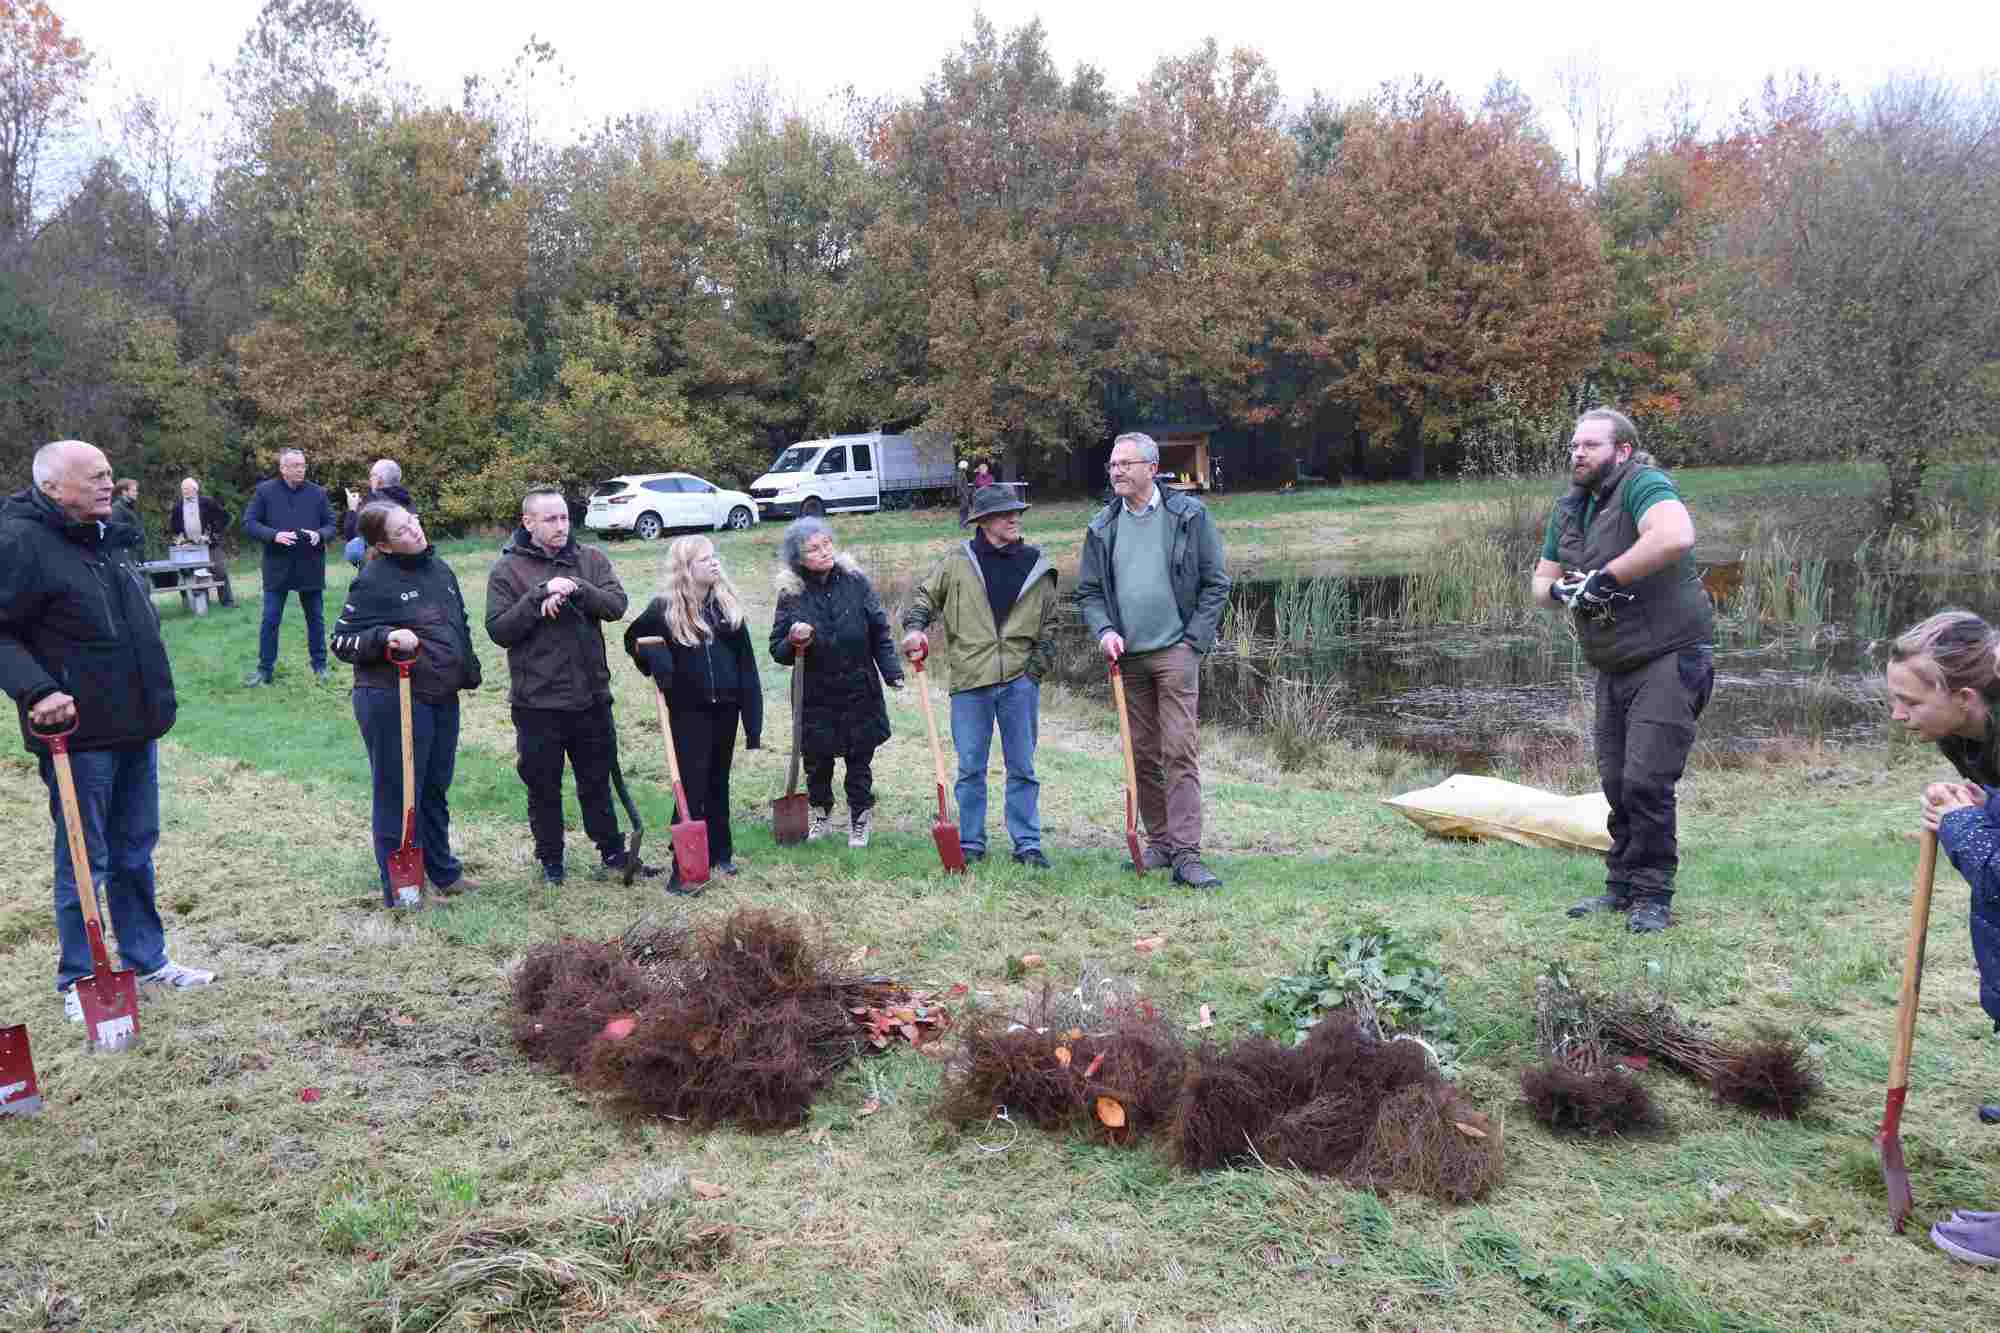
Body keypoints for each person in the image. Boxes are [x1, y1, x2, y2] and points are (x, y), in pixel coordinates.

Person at [0, 440, 217, 1022]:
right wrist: (37, 689)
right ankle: (82, 975)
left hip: (134, 720)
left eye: (109, 474)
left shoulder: (111, 534)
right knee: (83, 857)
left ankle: (147, 959)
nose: (106, 483)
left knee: (134, 852)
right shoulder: (20, 542)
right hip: (75, 734)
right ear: (51, 487)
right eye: (93, 476)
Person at [1531, 408, 1714, 934]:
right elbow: (1539, 585)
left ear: (1623, 450)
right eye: (1573, 445)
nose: (1578, 453)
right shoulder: (1571, 510)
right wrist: (1562, 591)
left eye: (1590, 445)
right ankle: (1621, 887)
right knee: (1615, 781)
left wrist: (1606, 578)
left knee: (1646, 780)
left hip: (1670, 654)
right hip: (1614, 663)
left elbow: (1675, 536)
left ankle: (1654, 895)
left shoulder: (1645, 484)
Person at [1885, 610, 2000, 1265]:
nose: (1899, 714)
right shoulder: (1978, 731)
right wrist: (1980, 803)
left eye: (1910, 699)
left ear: (1962, 697)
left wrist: (1964, 825)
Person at [1075, 431, 1231, 889]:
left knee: (1178, 749)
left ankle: (1187, 854)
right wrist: (1104, 631)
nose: (1117, 471)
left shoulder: (1189, 515)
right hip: (1128, 660)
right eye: (1112, 464)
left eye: (1126, 463)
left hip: (1175, 653)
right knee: (1142, 754)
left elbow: (1215, 583)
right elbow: (1088, 592)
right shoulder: (1102, 526)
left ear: (1151, 467)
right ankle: (1160, 843)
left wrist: (1192, 643)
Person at [485, 486, 653, 885]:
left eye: (564, 518)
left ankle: (612, 851)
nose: (561, 526)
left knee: (597, 778)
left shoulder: (590, 559)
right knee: (543, 785)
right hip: (537, 701)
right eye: (550, 520)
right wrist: (539, 596)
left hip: (591, 695)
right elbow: (499, 630)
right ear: (528, 523)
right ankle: (551, 861)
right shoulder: (507, 570)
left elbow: (616, 605)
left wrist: (576, 586)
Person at [330, 502, 482, 906]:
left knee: (434, 788)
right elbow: (341, 641)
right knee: (398, 793)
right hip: (391, 698)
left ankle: (443, 872)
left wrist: (467, 668)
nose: (414, 531)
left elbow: (457, 625)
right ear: (384, 544)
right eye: (401, 531)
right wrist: (385, 637)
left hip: (440, 695)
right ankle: (404, 889)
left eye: (413, 521)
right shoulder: (372, 580)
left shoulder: (440, 570)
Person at [900, 485, 1060, 868]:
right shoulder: (957, 561)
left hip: (1020, 683)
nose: (1014, 518)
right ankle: (971, 842)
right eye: (1006, 514)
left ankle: (1027, 844)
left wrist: (1033, 673)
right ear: (984, 522)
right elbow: (924, 598)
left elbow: (1051, 626)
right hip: (970, 682)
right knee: (970, 768)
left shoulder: (1038, 564)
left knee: (1023, 767)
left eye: (1017, 512)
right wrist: (915, 629)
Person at [625, 536, 765, 885]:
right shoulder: (664, 609)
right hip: (688, 710)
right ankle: (684, 864)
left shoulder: (726, 608)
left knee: (718, 780)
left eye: (715, 557)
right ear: (686, 569)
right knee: (692, 783)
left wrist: (752, 721)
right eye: (705, 559)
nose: (715, 563)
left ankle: (721, 853)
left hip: (726, 708)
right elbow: (635, 640)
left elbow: (746, 664)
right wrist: (654, 659)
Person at [769, 516, 904, 846]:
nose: (824, 551)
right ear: (798, 558)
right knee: (818, 761)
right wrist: (793, 638)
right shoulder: (791, 592)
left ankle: (860, 818)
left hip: (859, 686)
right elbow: (778, 649)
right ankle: (821, 814)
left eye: (826, 543)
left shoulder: (855, 581)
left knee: (860, 759)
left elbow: (879, 631)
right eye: (813, 549)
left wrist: (892, 672)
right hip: (815, 691)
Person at [241, 448, 337, 685]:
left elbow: (332, 524)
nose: (300, 469)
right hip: (277, 565)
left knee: (315, 617)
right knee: (271, 618)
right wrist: (274, 535)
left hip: (310, 565)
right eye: (294, 465)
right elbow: (249, 523)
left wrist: (320, 535)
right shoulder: (265, 492)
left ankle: (320, 666)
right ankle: (265, 670)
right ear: (282, 468)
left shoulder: (317, 493)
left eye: (302, 465)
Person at [167, 477, 237, 609]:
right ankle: (202, 604)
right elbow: (173, 529)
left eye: (188, 489)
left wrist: (211, 535)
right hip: (189, 547)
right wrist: (180, 540)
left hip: (210, 545)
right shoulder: (178, 507)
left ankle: (227, 602)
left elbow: (226, 518)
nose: (185, 492)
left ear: (195, 489)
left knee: (220, 571)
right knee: (195, 575)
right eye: (183, 489)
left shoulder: (208, 502)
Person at [342, 459, 413, 569]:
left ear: (378, 479)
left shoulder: (374, 504)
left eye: (372, 475)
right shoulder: (408, 500)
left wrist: (352, 509)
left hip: (379, 568)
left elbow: (351, 535)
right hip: (407, 563)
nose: (370, 479)